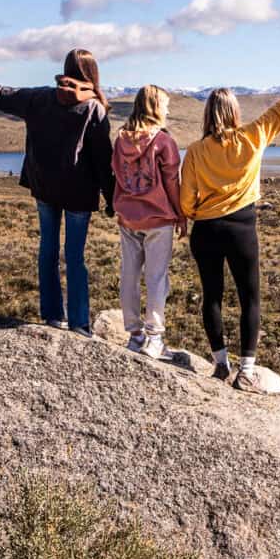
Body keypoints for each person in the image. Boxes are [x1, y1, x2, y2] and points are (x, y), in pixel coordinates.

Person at [180, 48, 280, 393]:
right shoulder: (254, 135)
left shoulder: (195, 151)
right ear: (235, 112)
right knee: (250, 297)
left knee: (212, 296)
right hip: (241, 229)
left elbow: (185, 200)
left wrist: (198, 213)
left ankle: (220, 364)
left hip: (206, 230)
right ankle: (247, 370)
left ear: (208, 115)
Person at [0, 49, 114, 336]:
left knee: (47, 249)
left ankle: (51, 315)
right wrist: (112, 199)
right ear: (92, 74)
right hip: (78, 193)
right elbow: (102, 159)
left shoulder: (39, 98)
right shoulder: (94, 109)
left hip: (44, 187)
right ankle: (79, 323)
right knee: (75, 256)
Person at [111, 84, 186, 359]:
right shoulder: (164, 142)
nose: (167, 110)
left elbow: (117, 176)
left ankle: (134, 335)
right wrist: (180, 215)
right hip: (158, 218)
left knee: (129, 275)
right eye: (165, 105)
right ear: (155, 107)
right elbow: (171, 183)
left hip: (128, 217)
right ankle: (154, 339)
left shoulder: (121, 140)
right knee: (156, 279)